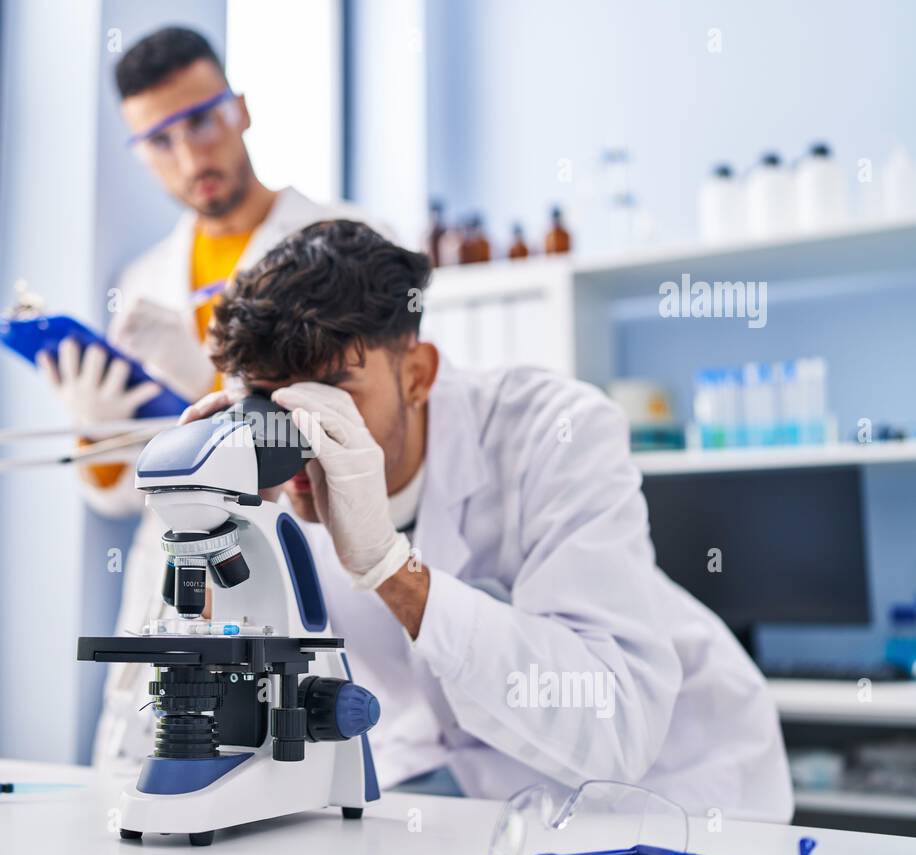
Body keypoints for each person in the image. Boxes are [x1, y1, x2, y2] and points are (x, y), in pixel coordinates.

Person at [133, 219, 796, 822]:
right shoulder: (278, 490)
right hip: (472, 786)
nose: (300, 435)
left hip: (677, 786)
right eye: (268, 402)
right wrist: (222, 517)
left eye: (330, 395)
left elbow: (614, 725)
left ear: (417, 374)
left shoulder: (556, 432)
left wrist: (393, 569)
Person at [38, 27, 386, 763]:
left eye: (201, 120)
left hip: (296, 545)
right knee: (149, 772)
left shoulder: (350, 239)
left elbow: (353, 425)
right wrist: (96, 431)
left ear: (242, 110)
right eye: (159, 141)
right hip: (171, 562)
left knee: (289, 770)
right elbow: (122, 495)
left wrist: (206, 386)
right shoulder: (144, 283)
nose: (190, 155)